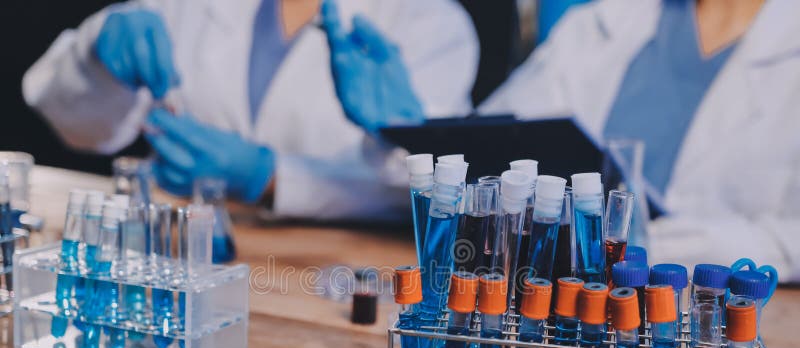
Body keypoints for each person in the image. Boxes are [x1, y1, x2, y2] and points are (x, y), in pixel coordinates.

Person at [23, 0, 478, 220]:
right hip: (187, 255)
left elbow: (431, 196)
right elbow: (81, 130)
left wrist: (274, 178)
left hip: (333, 283)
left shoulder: (432, 23)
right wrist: (96, 56)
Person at [481, 0, 800, 282]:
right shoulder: (602, 23)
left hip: (709, 313)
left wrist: (665, 245)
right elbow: (483, 142)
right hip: (559, 289)